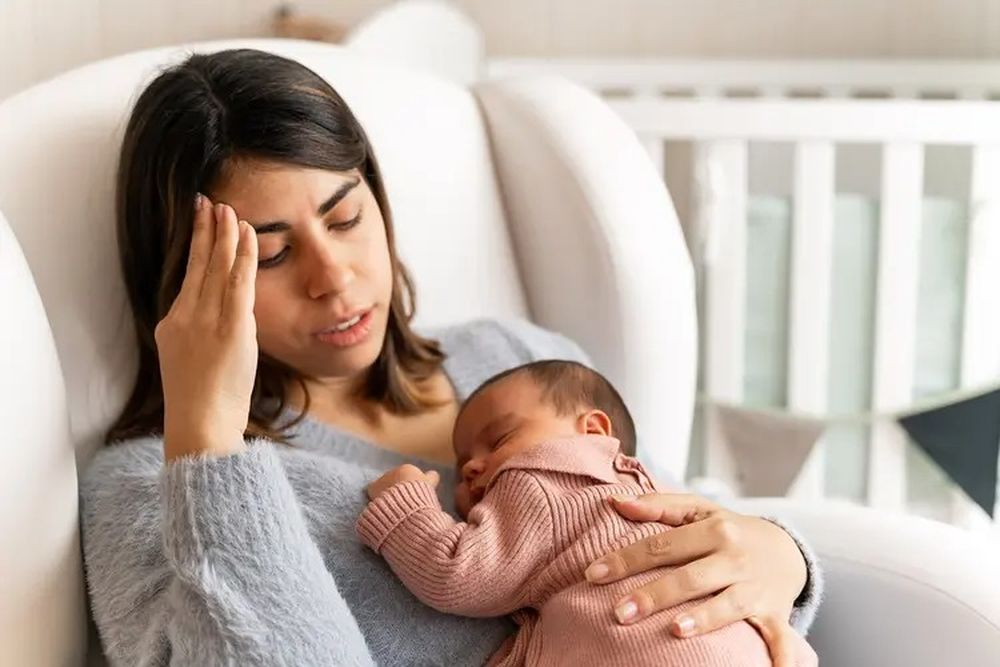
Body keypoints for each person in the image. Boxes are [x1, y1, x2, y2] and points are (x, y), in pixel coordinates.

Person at [79, 48, 823, 666]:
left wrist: (780, 558)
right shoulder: (150, 484)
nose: (333, 278)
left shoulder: (518, 356)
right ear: (184, 279)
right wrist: (210, 444)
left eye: (346, 217)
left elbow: (670, 537)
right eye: (270, 255)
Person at [359, 360, 817, 666]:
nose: (474, 467)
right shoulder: (655, 498)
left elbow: (459, 574)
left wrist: (404, 507)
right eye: (462, 470)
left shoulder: (544, 477)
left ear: (592, 431)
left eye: (498, 441)